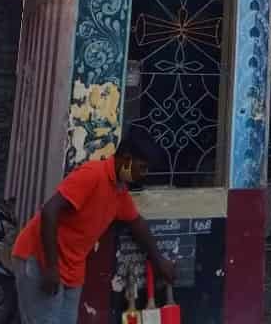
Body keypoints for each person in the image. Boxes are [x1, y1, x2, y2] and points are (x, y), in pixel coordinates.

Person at [10, 137, 175, 324]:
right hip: (40, 258)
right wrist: (51, 267)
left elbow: (137, 223)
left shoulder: (119, 191)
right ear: (127, 158)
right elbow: (49, 211)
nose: (143, 174)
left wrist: (159, 260)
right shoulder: (92, 174)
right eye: (142, 167)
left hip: (72, 269)